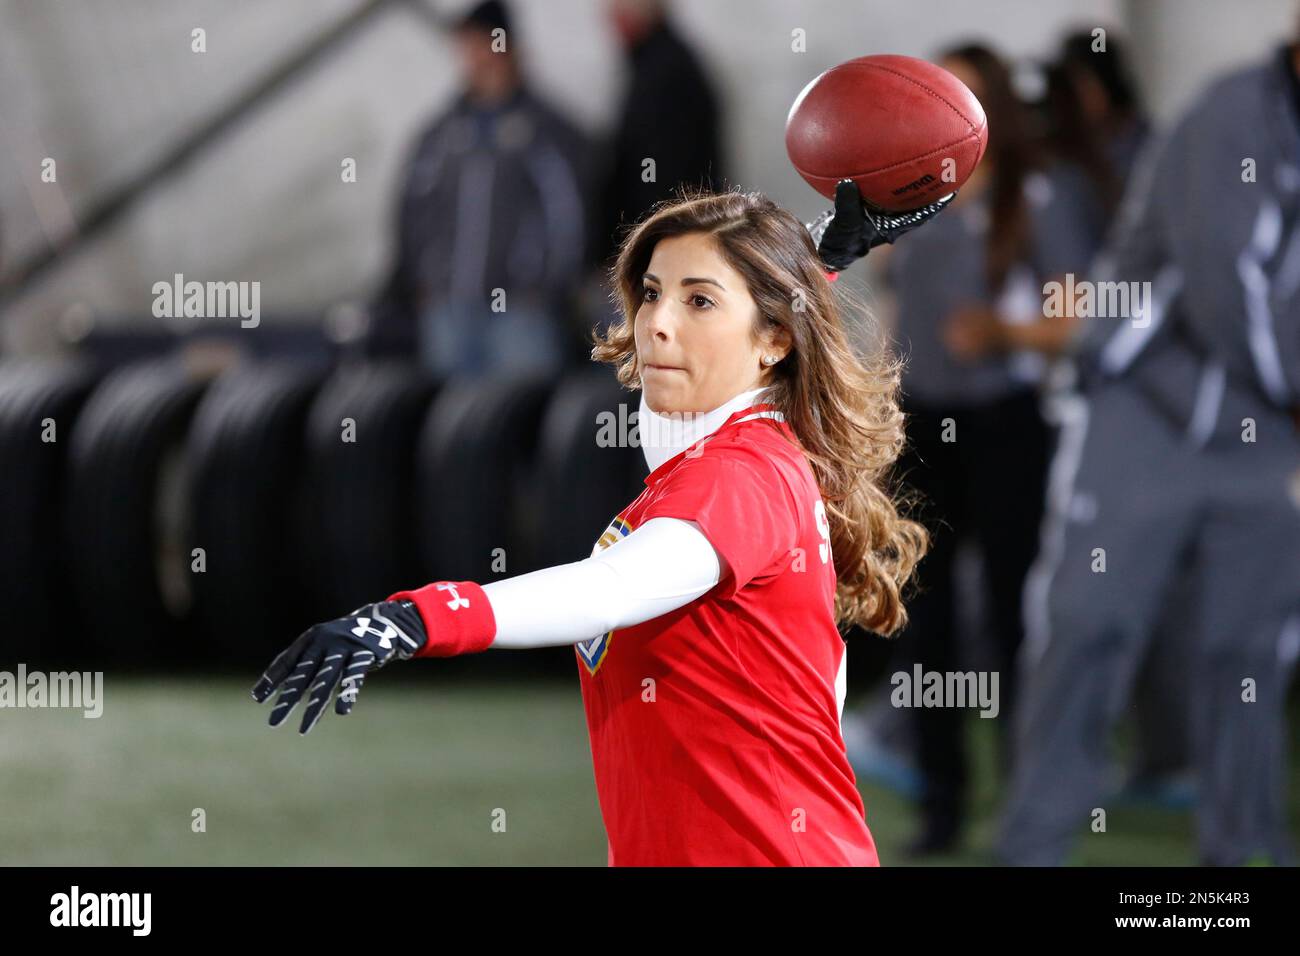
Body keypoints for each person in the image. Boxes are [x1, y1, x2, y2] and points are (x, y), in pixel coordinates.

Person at [251, 182, 948, 866]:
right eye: (651, 291)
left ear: (774, 340)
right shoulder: (728, 451)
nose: (657, 322)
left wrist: (416, 618)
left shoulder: (740, 477)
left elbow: (607, 590)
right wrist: (813, 258)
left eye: (698, 300)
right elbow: (719, 375)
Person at [998, 34, 1300, 866]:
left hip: (1270, 440)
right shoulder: (1228, 119)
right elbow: (1231, 300)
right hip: (1146, 415)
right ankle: (1033, 847)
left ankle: (1241, 859)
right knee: (1091, 627)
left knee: (1251, 653)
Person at [862, 44, 1095, 857]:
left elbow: (1082, 317)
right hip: (924, 427)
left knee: (1012, 619)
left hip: (1006, 423)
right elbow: (894, 317)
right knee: (920, 622)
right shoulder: (913, 198)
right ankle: (941, 801)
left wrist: (1003, 331)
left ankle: (1030, 805)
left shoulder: (1040, 197)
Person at [367, 0, 592, 376]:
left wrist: (544, 285)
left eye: (486, 44)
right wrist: (422, 282)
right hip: (448, 311)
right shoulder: (440, 134)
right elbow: (412, 210)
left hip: (521, 316)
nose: (477, 57)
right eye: (468, 46)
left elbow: (570, 214)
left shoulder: (546, 130)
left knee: (514, 421)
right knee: (457, 425)